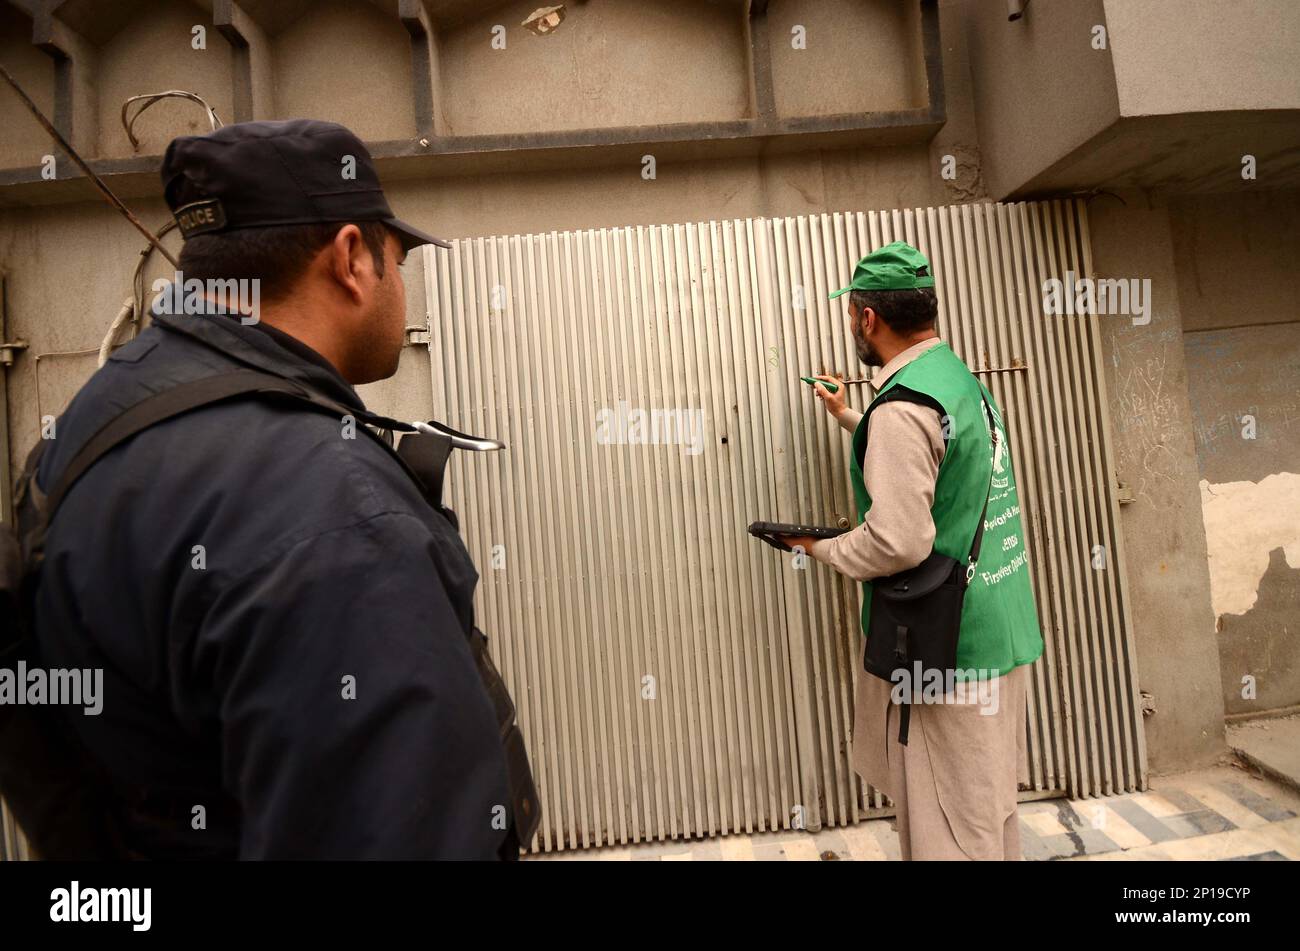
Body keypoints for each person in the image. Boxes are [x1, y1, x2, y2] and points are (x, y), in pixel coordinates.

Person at [28, 119, 526, 859]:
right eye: (400, 255)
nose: (404, 283)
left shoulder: (86, 431)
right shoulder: (335, 513)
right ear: (353, 258)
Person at [782, 241, 1044, 860]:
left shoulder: (903, 408)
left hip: (945, 655)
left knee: (947, 831)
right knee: (985, 814)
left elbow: (898, 542)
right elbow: (943, 458)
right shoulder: (956, 381)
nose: (851, 324)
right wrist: (851, 416)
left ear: (867, 318)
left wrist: (814, 546)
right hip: (999, 632)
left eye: (851, 313)